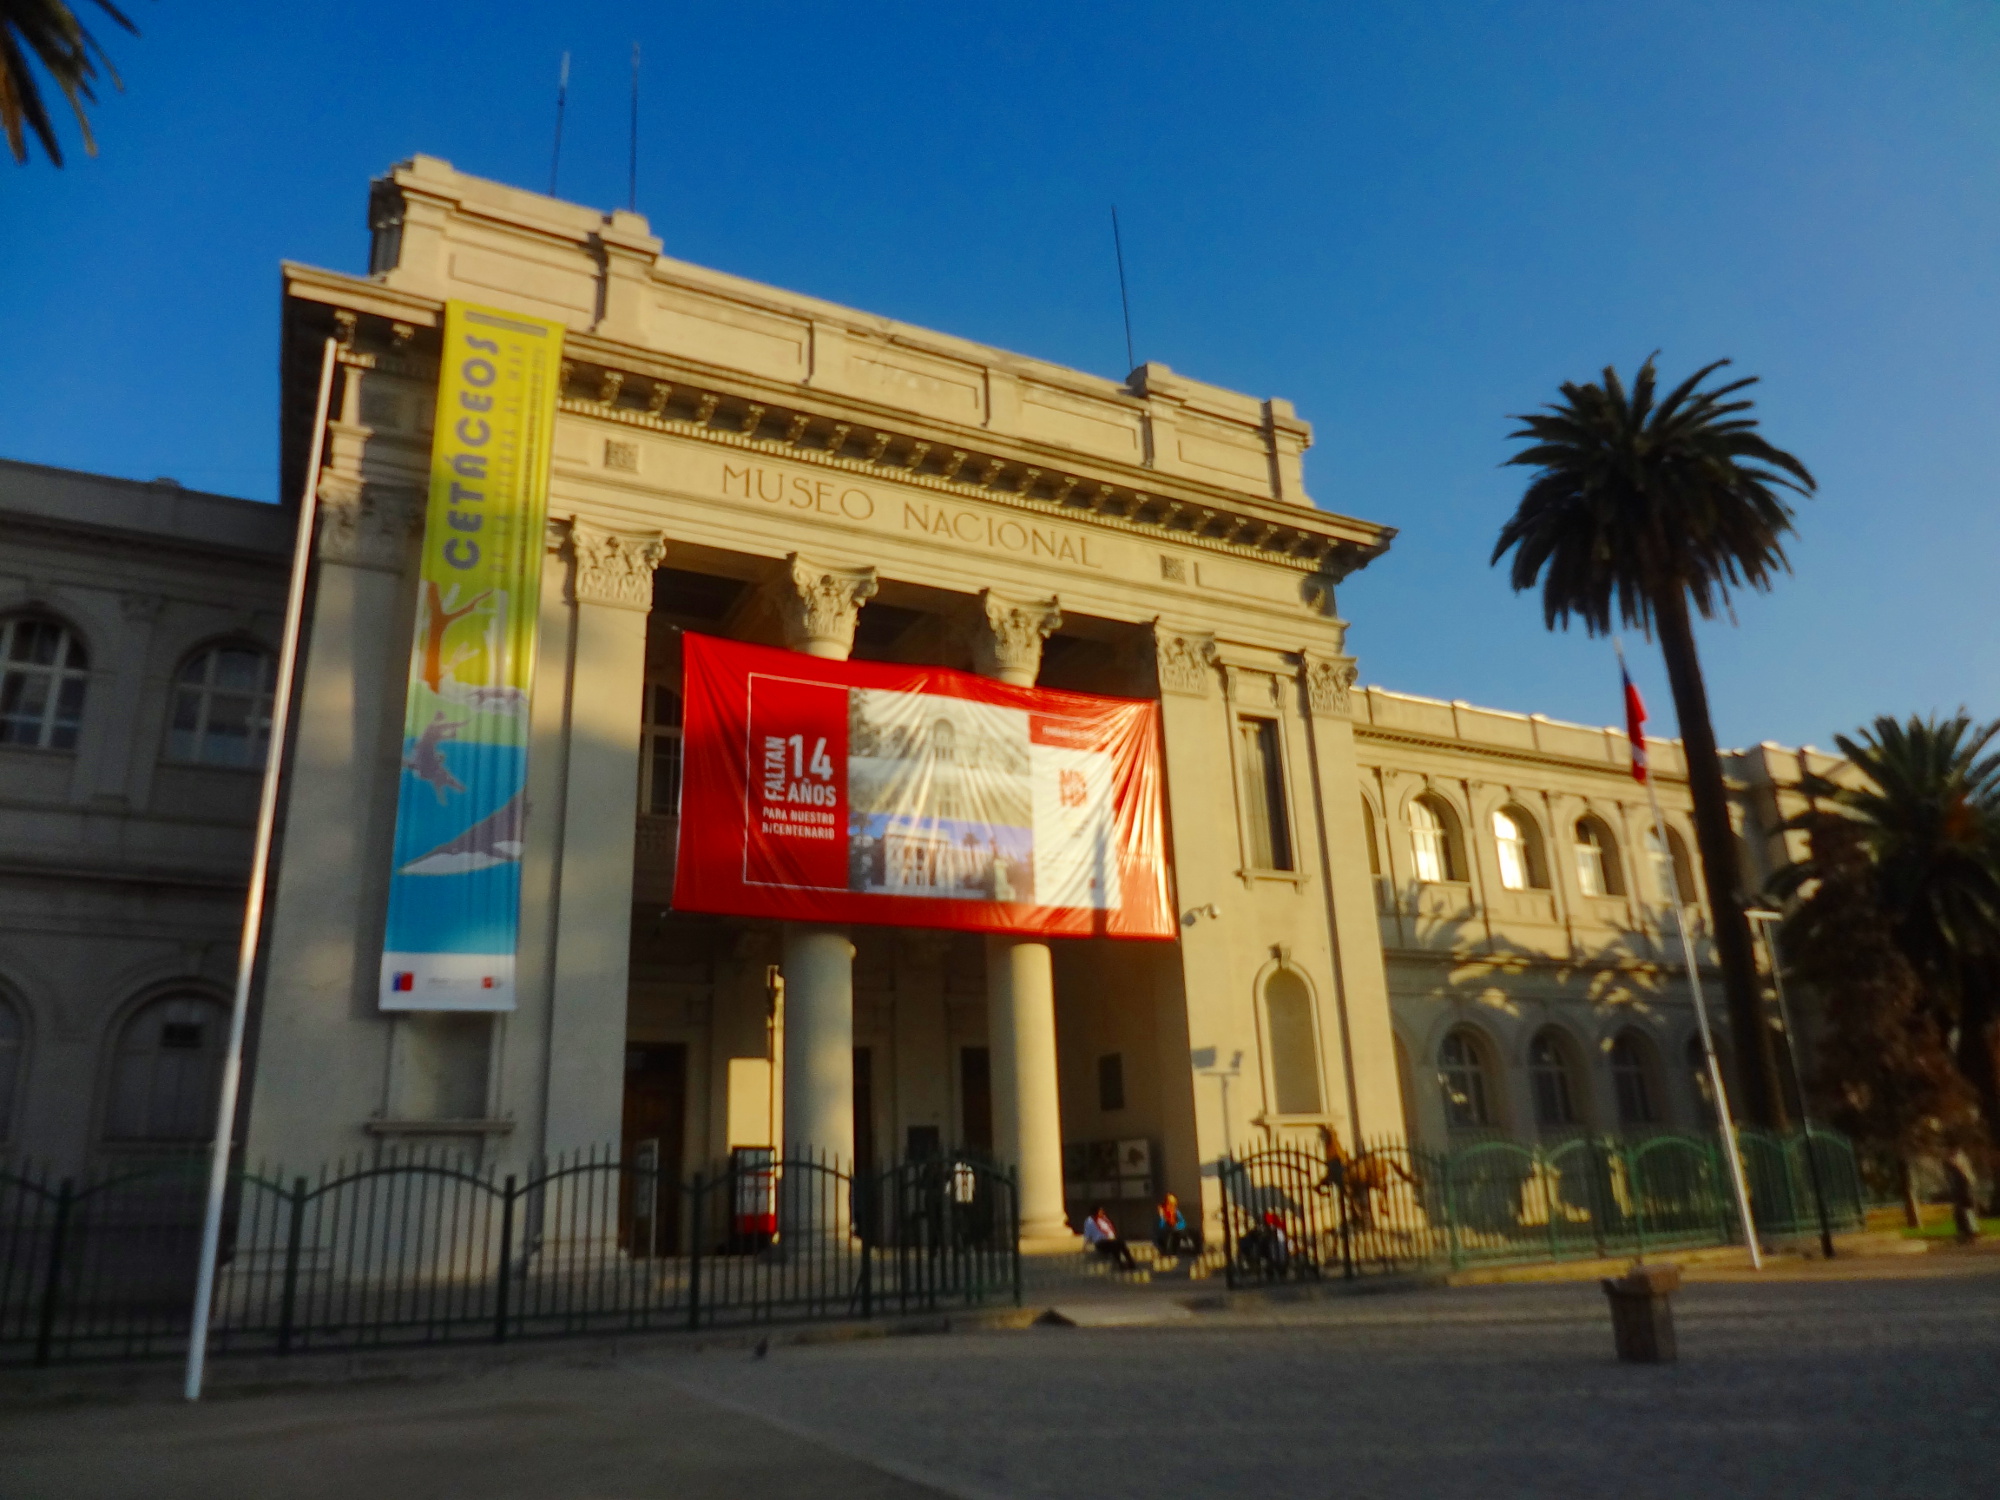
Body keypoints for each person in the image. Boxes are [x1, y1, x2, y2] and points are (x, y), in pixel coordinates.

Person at [1082, 1205, 1138, 1271]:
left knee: (1120, 1242)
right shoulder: (1090, 1221)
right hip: (1100, 1242)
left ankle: (1130, 1262)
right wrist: (1085, 1245)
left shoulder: (1104, 1219)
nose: (1102, 1212)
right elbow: (1087, 1234)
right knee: (1114, 1244)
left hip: (1110, 1240)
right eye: (1100, 1211)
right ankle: (1120, 1264)